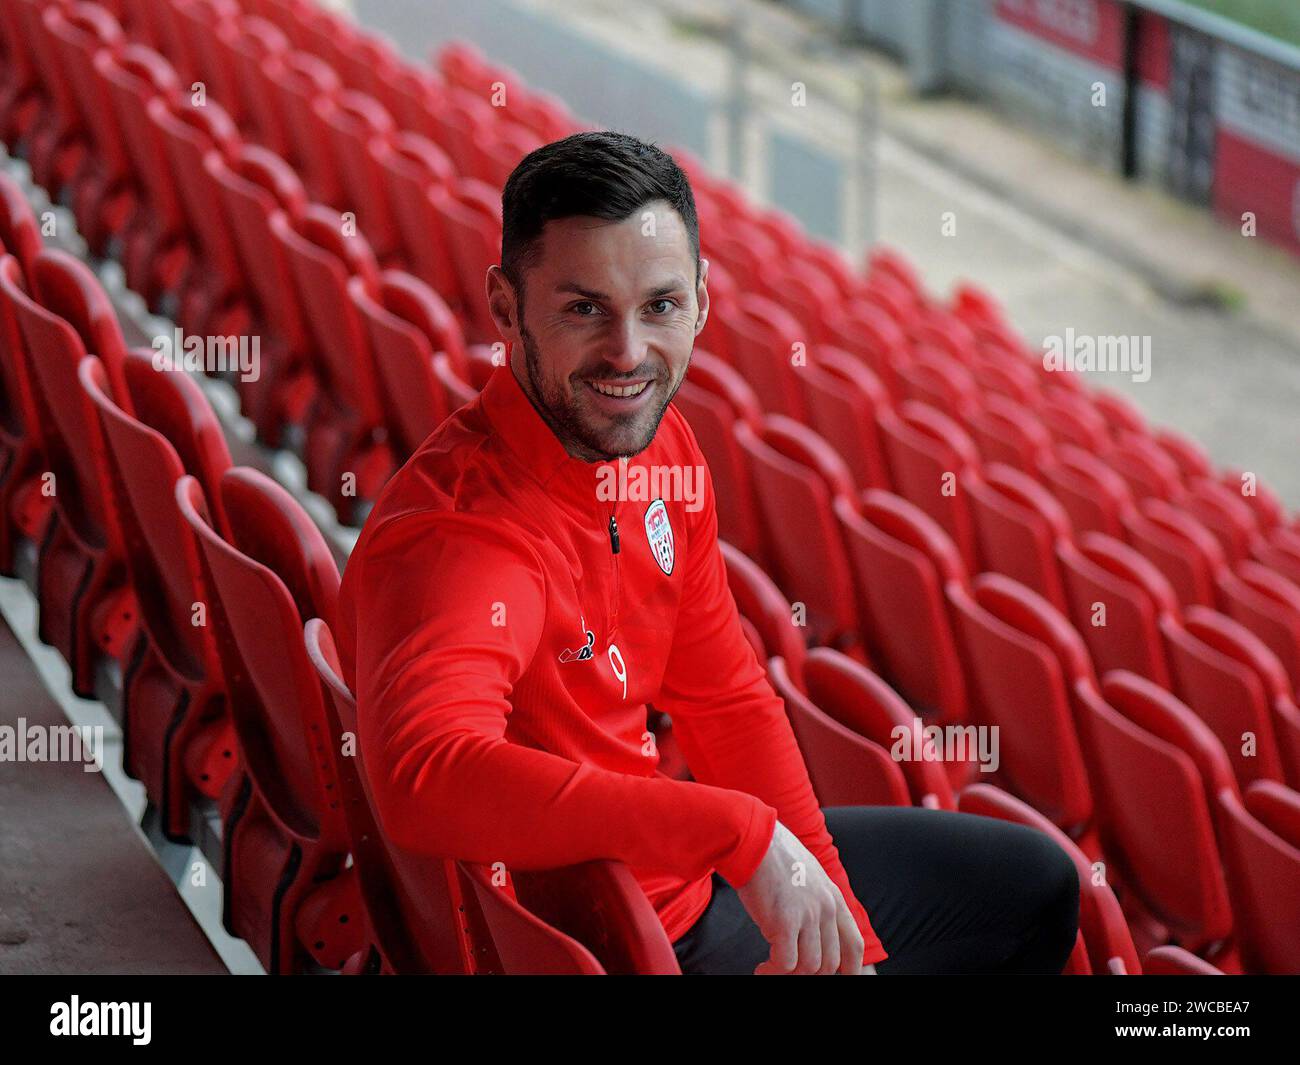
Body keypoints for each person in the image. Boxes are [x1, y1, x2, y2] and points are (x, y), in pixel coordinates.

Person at [337, 130, 1079, 975]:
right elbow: (425, 774)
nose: (627, 353)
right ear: (505, 307)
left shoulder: (663, 452)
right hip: (613, 943)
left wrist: (847, 948)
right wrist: (735, 832)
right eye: (584, 308)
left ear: (701, 300)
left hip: (675, 882)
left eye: (659, 307)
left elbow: (725, 699)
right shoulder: (464, 536)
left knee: (1035, 881)